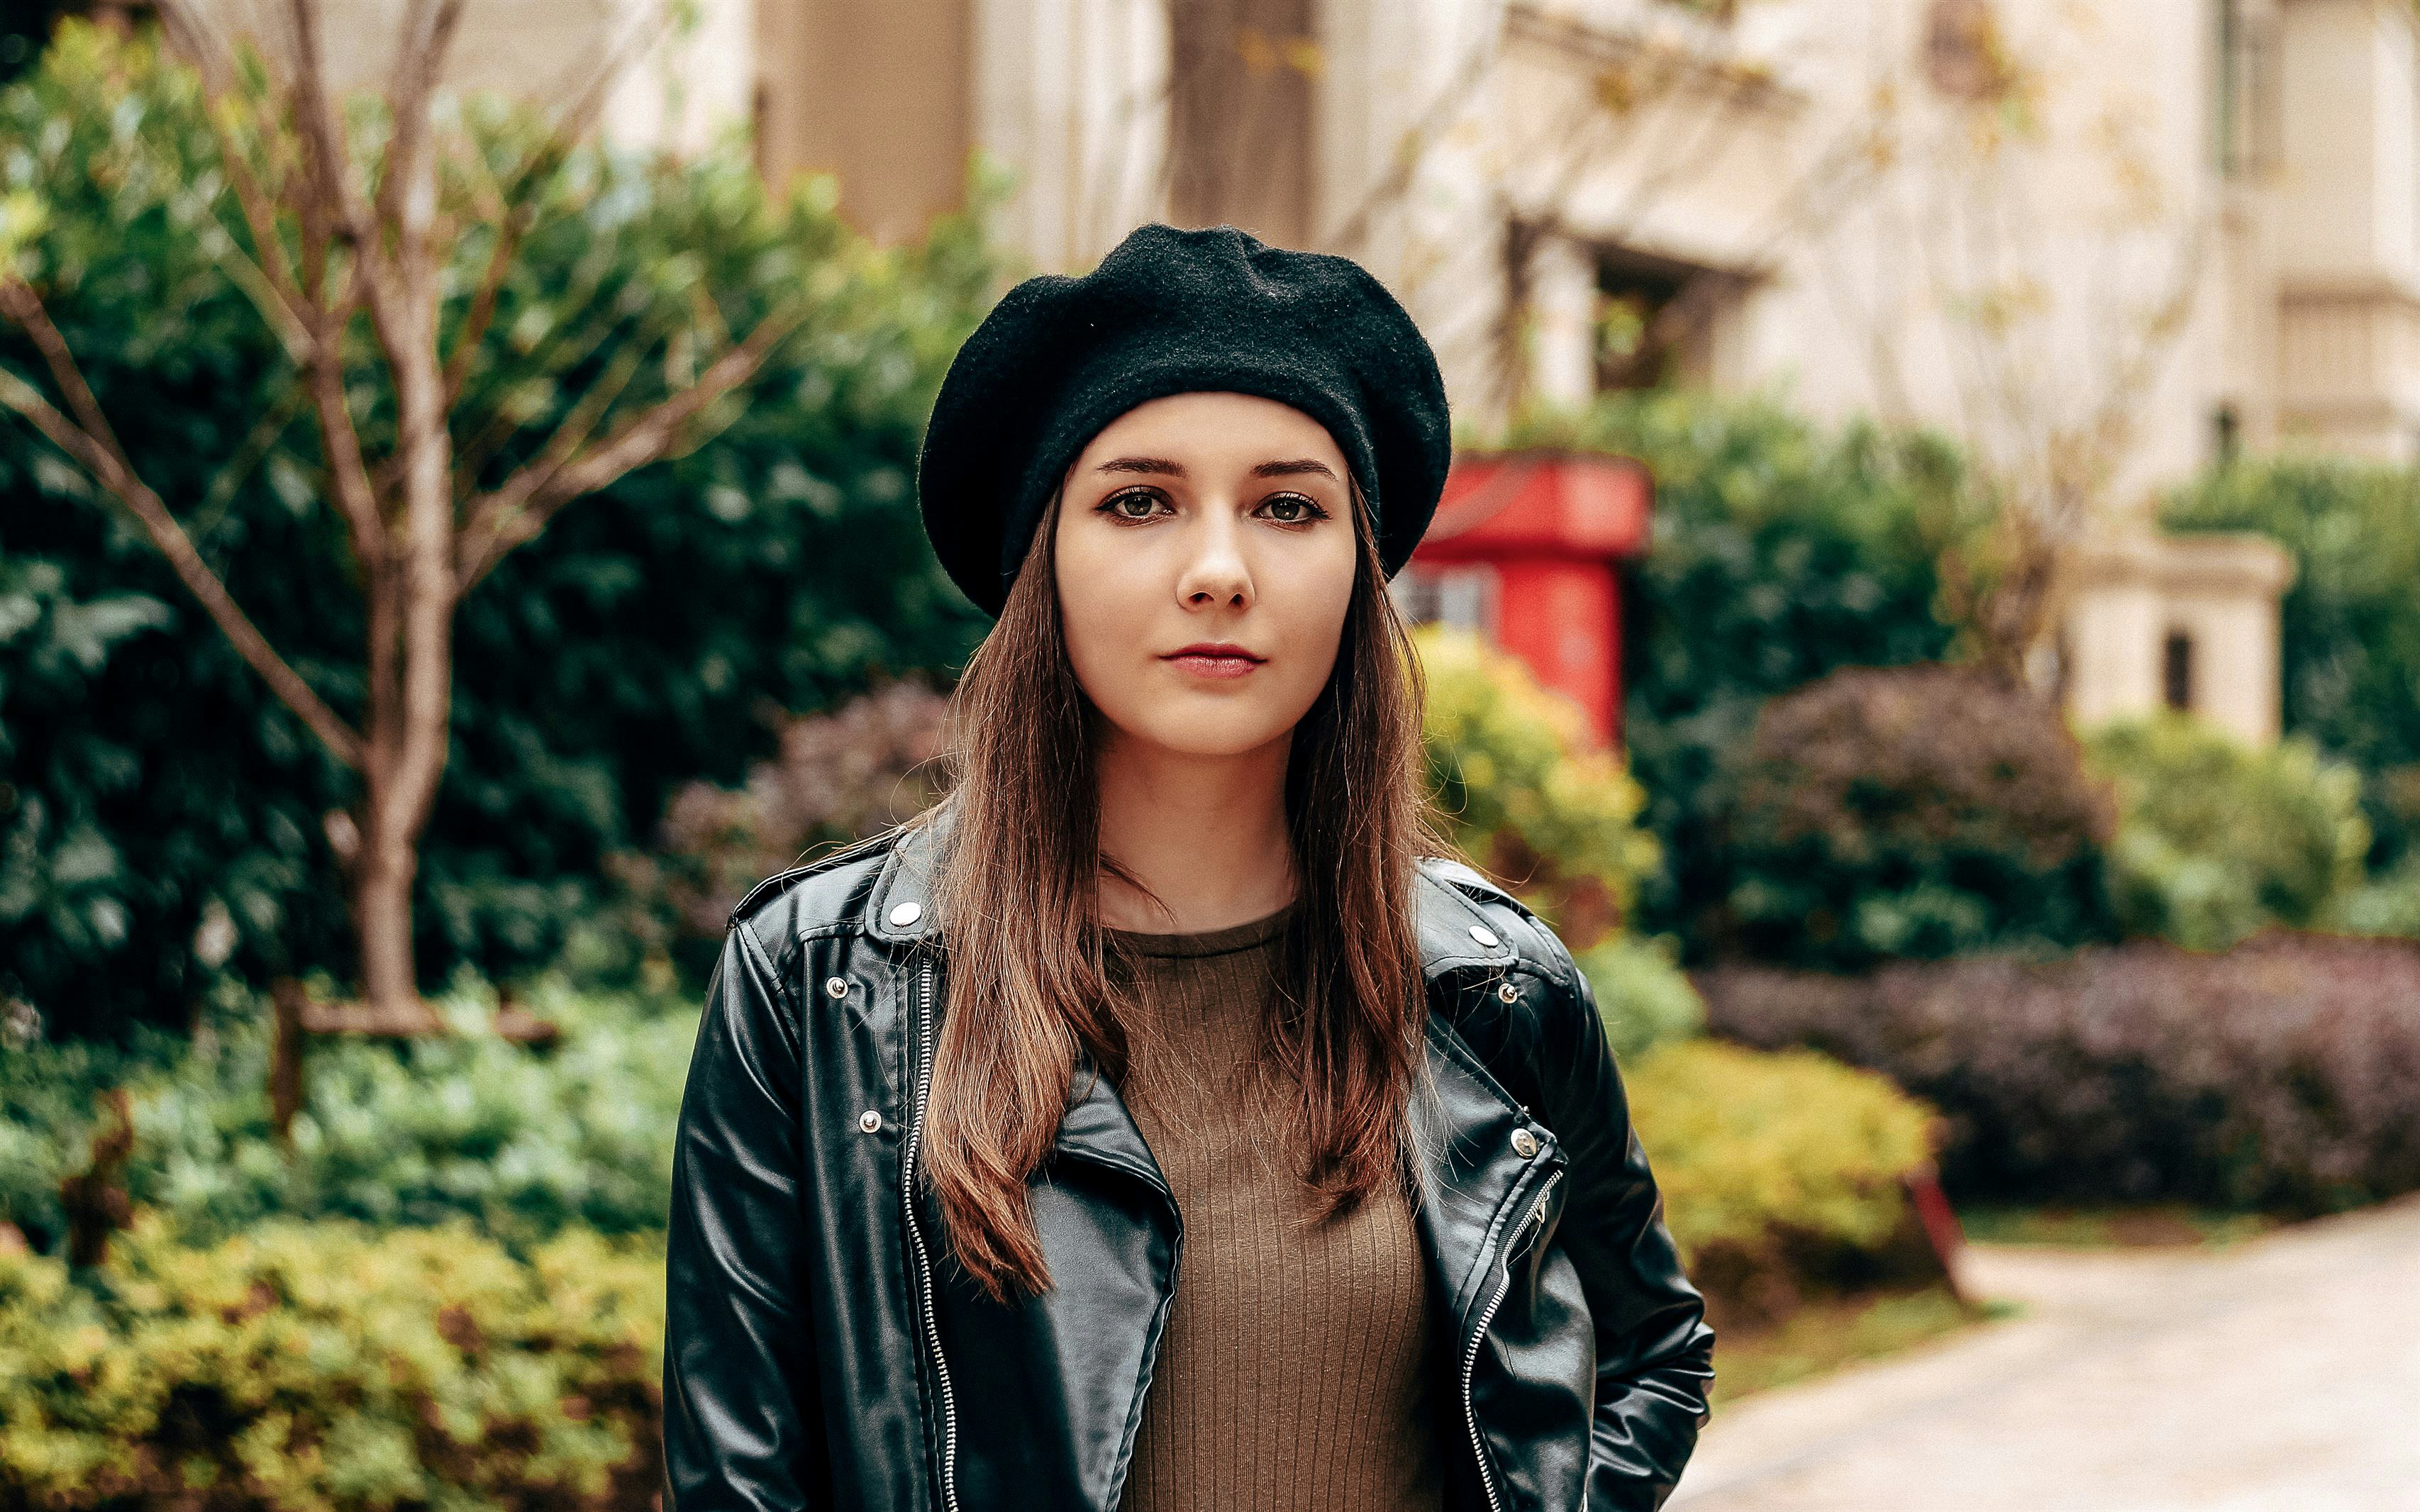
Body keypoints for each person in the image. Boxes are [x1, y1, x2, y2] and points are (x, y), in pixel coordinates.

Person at [661, 222, 1715, 1512]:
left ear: (1358, 571)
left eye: (1287, 506)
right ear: (1042, 562)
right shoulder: (822, 984)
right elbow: (740, 1478)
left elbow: (1653, 1353)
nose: (1219, 571)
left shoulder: (1494, 989)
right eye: (1139, 501)